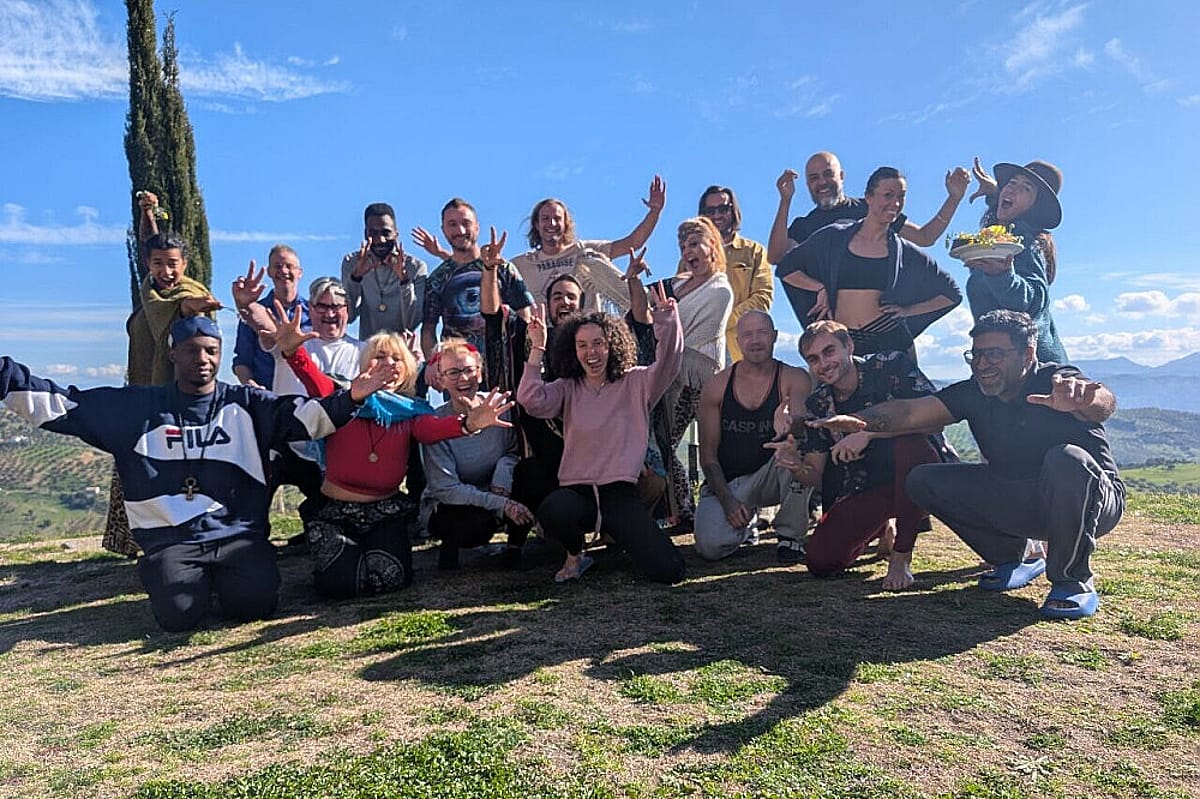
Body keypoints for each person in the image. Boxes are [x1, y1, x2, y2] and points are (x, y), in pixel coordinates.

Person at [1, 317, 397, 631]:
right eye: (191, 350)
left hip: (238, 536)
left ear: (220, 355)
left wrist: (353, 396)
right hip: (171, 540)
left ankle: (218, 578)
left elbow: (309, 419)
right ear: (173, 355)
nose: (202, 359)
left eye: (211, 350)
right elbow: (59, 406)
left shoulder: (248, 403)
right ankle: (174, 576)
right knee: (178, 617)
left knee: (254, 607)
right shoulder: (137, 408)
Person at [810, 311, 1123, 619]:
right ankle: (1012, 557)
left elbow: (1103, 403)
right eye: (976, 355)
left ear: (1028, 353)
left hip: (1092, 503)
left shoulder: (1058, 381)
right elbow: (910, 414)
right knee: (924, 480)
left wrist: (1085, 400)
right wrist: (861, 422)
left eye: (995, 354)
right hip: (1020, 499)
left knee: (1066, 459)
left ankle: (1072, 580)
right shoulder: (972, 392)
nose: (982, 364)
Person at [273, 303, 514, 597]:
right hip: (336, 510)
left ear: (408, 368)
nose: (389, 362)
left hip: (384, 509)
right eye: (380, 356)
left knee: (391, 579)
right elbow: (312, 378)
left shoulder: (412, 411)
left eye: (397, 357)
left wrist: (468, 424)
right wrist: (292, 352)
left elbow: (432, 430)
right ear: (365, 364)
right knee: (340, 585)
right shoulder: (339, 397)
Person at [517, 278, 686, 584]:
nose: (590, 352)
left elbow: (669, 365)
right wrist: (537, 350)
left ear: (613, 344)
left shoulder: (636, 382)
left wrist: (667, 323)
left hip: (618, 492)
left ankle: (621, 540)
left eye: (598, 343)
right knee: (554, 510)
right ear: (573, 349)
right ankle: (576, 554)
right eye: (582, 345)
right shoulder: (568, 387)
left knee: (669, 570)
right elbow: (530, 400)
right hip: (577, 491)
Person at [774, 321, 947, 590]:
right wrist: (795, 465)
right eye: (813, 359)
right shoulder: (818, 403)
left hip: (922, 474)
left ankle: (901, 557)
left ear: (849, 347)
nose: (823, 363)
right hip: (866, 485)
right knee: (821, 561)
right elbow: (815, 474)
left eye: (829, 351)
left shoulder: (892, 366)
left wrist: (869, 433)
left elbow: (936, 421)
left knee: (909, 444)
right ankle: (881, 526)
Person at [106, 221, 221, 557]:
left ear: (185, 264)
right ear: (148, 264)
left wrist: (195, 308)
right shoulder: (150, 293)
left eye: (173, 263)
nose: (167, 271)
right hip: (141, 394)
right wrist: (147, 215)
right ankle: (131, 540)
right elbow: (150, 246)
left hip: (177, 399)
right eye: (158, 263)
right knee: (136, 466)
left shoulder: (186, 294)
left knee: (174, 470)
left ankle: (179, 538)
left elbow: (186, 306)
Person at [776, 167, 961, 359]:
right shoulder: (833, 236)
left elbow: (951, 293)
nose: (895, 203)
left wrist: (908, 311)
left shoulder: (904, 251)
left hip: (890, 342)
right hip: (840, 342)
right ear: (868, 198)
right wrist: (820, 288)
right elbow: (785, 268)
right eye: (888, 195)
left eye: (901, 196)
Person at [695, 310, 813, 562]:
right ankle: (747, 523)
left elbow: (803, 428)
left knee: (795, 451)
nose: (755, 340)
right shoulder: (716, 386)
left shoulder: (794, 378)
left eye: (762, 333)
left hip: (774, 471)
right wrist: (726, 500)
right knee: (710, 547)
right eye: (747, 335)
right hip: (733, 481)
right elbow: (707, 456)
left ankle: (790, 535)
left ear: (775, 337)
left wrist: (791, 423)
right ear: (738, 342)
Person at [422, 339, 534, 571]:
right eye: (453, 373)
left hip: (495, 489)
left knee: (530, 474)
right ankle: (450, 546)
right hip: (452, 502)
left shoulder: (499, 407)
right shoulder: (435, 423)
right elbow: (446, 488)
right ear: (441, 380)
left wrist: (503, 473)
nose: (463, 379)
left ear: (480, 373)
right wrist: (501, 503)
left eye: (468, 370)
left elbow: (514, 453)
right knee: (472, 526)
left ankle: (515, 547)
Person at [767, 151, 970, 263]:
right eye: (814, 178)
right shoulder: (804, 226)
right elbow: (776, 258)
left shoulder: (870, 207)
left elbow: (925, 237)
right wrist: (785, 200)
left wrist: (954, 199)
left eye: (828, 174)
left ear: (842, 176)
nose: (822, 182)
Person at [961, 159, 1068, 364]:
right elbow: (1003, 214)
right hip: (1000, 365)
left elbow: (1036, 299)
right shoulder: (1000, 237)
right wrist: (995, 193)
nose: (1012, 189)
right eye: (1011, 183)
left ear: (1035, 206)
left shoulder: (1026, 243)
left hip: (1037, 370)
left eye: (1026, 188)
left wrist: (1002, 276)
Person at [510, 177, 666, 312]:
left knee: (588, 258)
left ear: (566, 224)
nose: (551, 223)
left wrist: (654, 212)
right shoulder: (523, 264)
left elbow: (632, 243)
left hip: (587, 333)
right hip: (548, 335)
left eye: (557, 219)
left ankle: (642, 303)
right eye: (545, 218)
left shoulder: (582, 250)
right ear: (536, 225)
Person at [421, 199, 534, 363]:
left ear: (477, 227)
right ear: (444, 230)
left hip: (504, 368)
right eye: (452, 224)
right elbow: (428, 329)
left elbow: (525, 315)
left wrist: (526, 359)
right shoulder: (437, 279)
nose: (460, 230)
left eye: (466, 223)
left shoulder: (502, 268)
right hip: (458, 372)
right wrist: (434, 364)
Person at [341, 202, 427, 340]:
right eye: (373, 233)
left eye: (386, 233)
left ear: (396, 234)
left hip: (403, 351)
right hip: (367, 349)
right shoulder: (353, 262)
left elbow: (412, 322)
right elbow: (348, 316)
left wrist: (404, 281)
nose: (380, 240)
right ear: (365, 234)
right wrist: (356, 278)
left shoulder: (415, 267)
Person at [230, 246, 309, 389]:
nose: (283, 271)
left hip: (306, 398)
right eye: (277, 266)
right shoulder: (253, 312)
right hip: (266, 398)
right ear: (269, 272)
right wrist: (250, 385)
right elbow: (242, 361)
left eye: (289, 266)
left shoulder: (313, 313)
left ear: (300, 272)